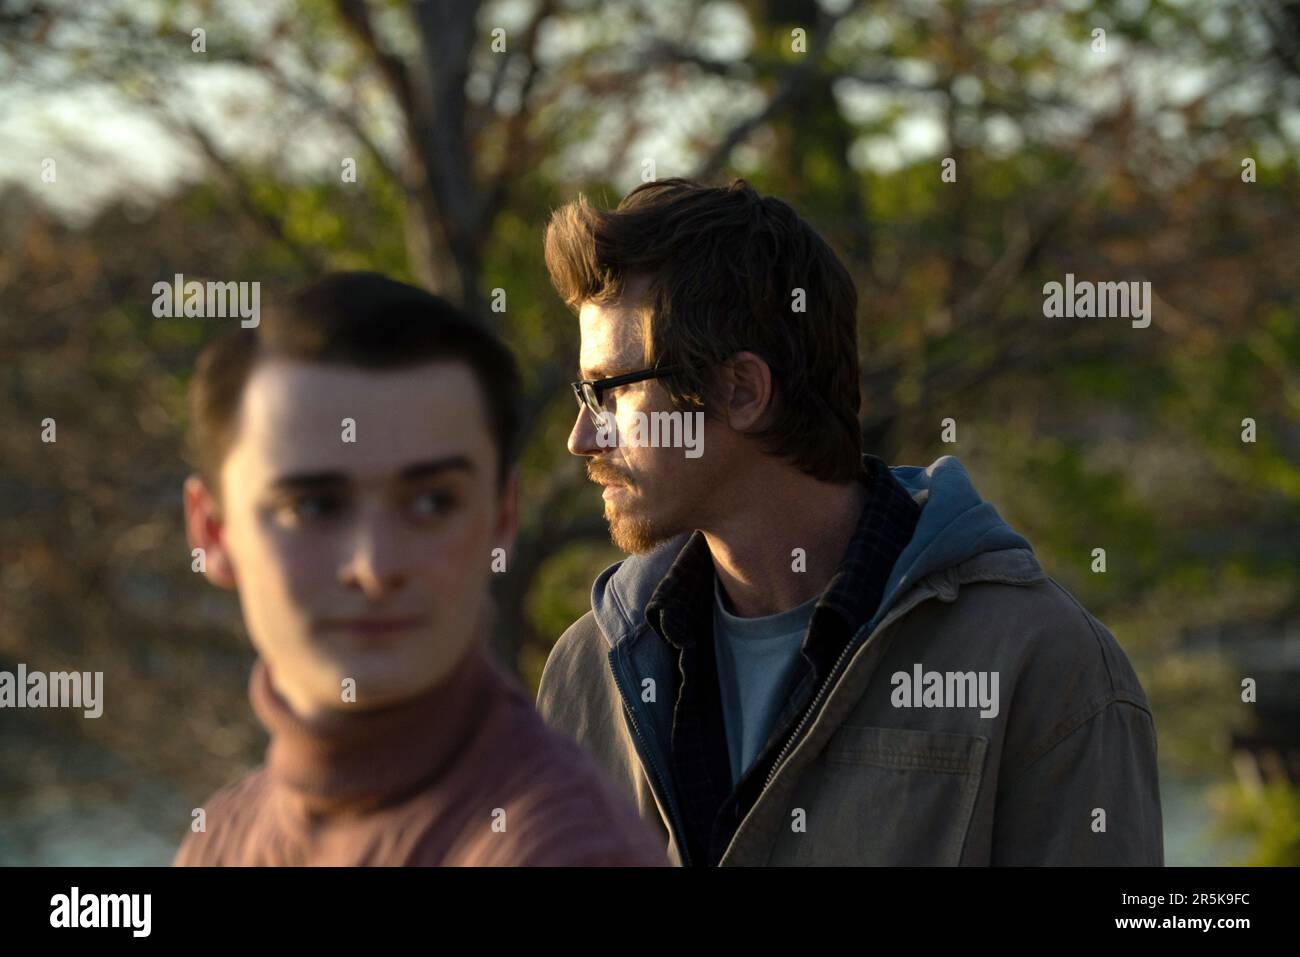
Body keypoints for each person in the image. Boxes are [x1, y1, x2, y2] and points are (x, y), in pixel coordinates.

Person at [535, 178, 1164, 866]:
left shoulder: (1044, 666)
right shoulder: (588, 669)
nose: (581, 438)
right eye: (582, 392)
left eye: (611, 391)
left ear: (741, 390)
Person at [176, 271, 665, 866]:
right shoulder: (222, 837)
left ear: (501, 516)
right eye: (314, 507)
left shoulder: (562, 851)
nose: (376, 567)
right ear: (213, 532)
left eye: (433, 502)